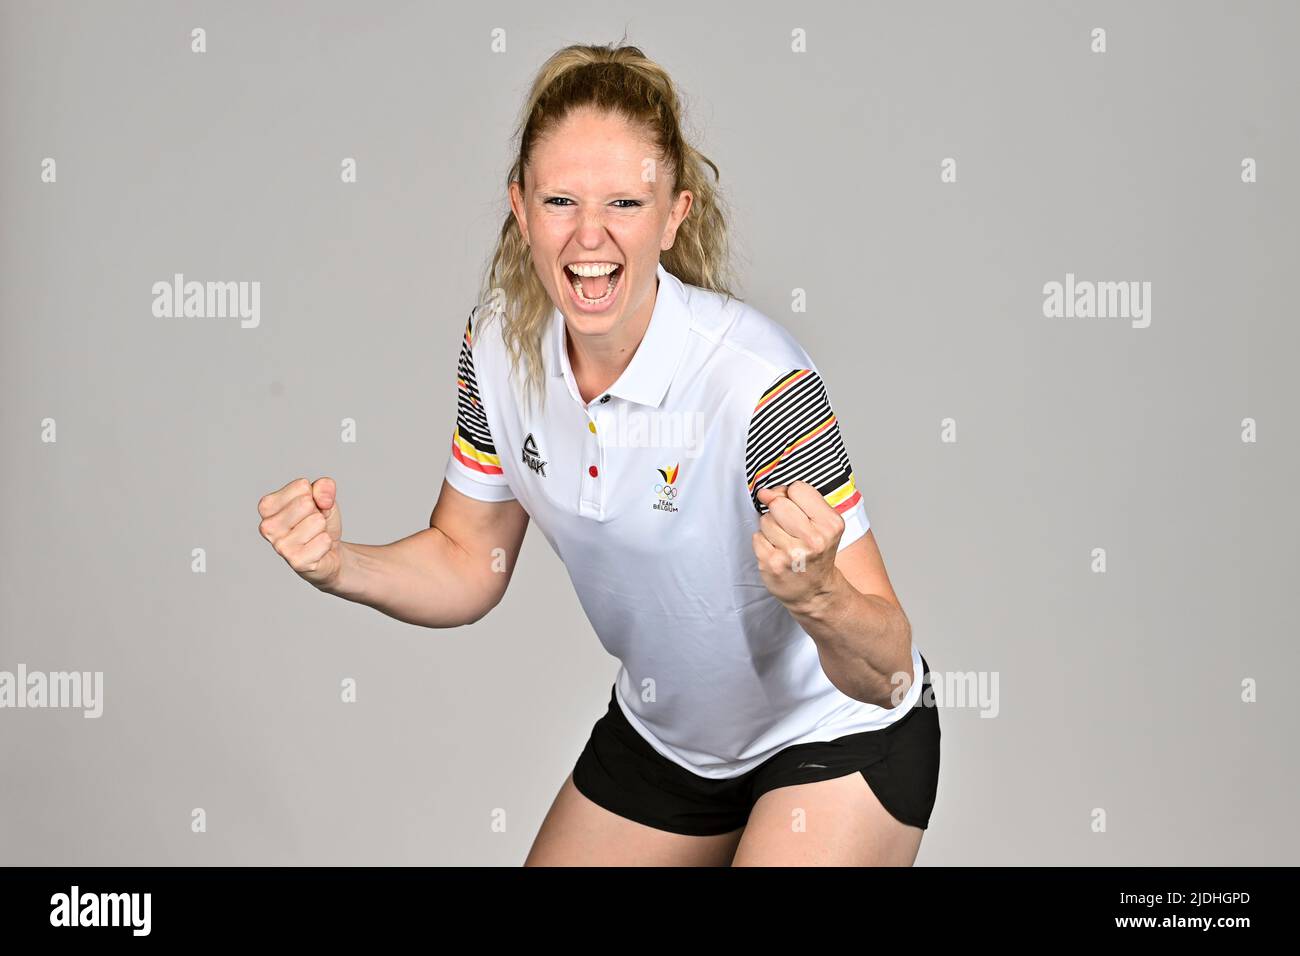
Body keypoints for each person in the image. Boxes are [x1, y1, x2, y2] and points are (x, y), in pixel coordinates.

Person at [257, 42, 939, 866]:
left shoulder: (758, 383)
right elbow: (471, 562)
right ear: (520, 206)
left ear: (674, 212)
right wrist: (341, 565)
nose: (590, 235)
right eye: (559, 200)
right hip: (672, 741)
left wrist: (821, 593)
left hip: (834, 739)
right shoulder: (497, 349)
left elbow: (889, 672)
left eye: (624, 200)